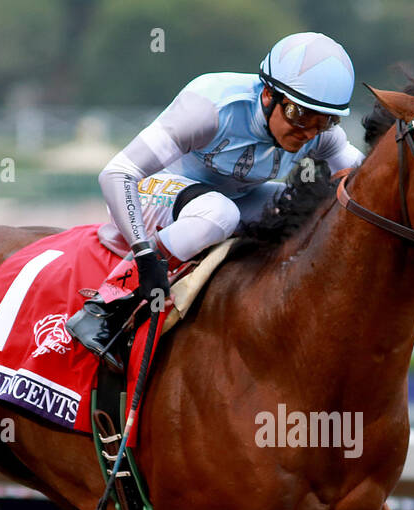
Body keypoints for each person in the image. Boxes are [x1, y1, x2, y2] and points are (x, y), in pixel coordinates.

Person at [67, 32, 367, 363]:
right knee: (219, 214)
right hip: (157, 190)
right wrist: (143, 254)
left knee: (311, 209)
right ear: (268, 95)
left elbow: (365, 184)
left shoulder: (319, 134)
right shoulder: (210, 109)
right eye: (299, 114)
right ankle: (104, 308)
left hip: (225, 201)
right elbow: (116, 172)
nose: (309, 131)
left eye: (324, 120)